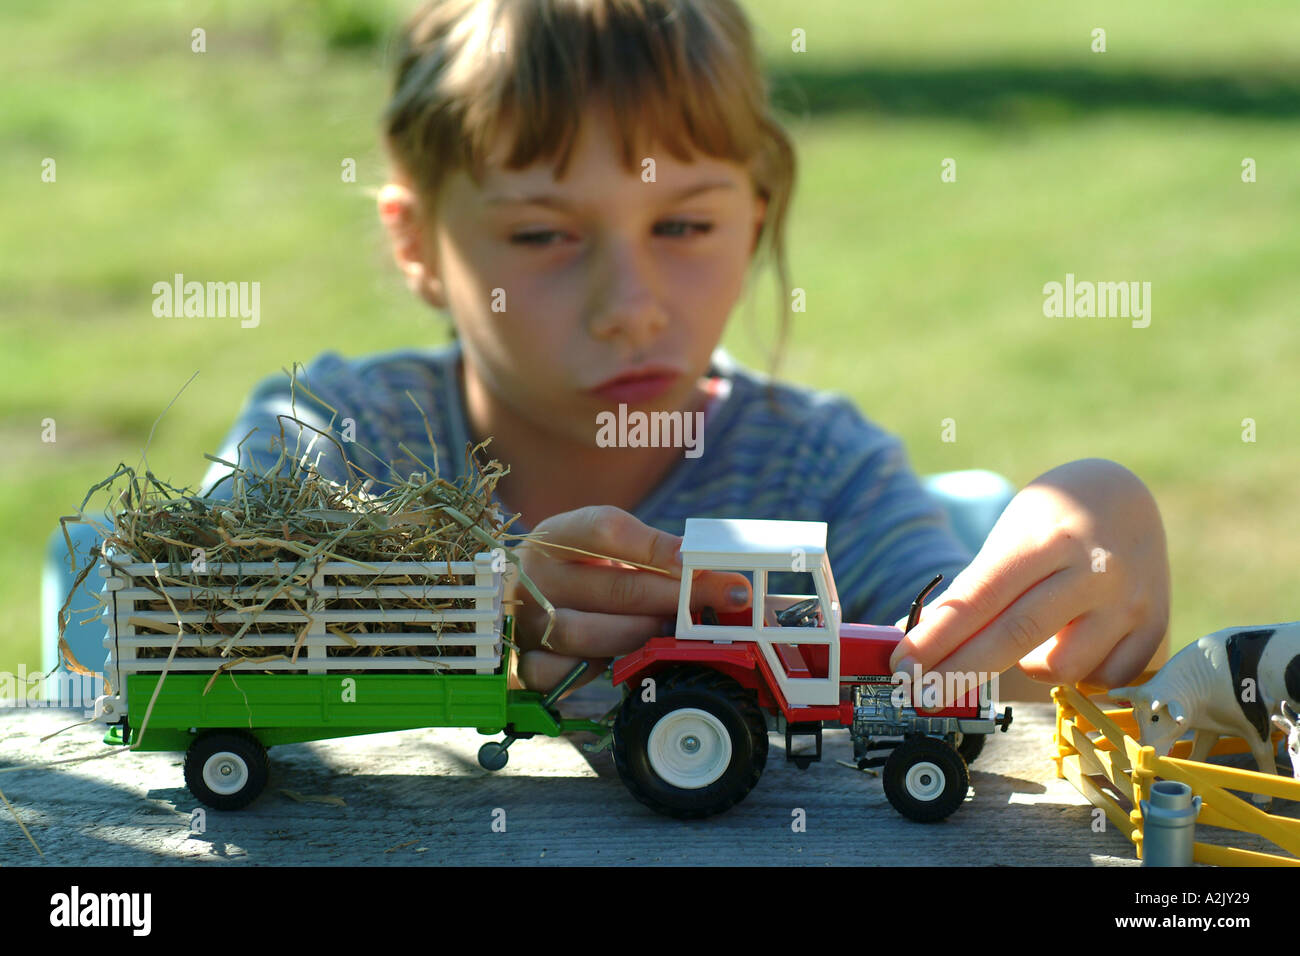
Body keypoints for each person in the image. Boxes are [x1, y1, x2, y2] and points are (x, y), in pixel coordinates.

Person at [200, 0, 1170, 702]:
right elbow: (174, 634)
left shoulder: (818, 474)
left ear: (755, 217)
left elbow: (964, 677)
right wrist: (479, 610)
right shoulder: (338, 440)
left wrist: (1089, 573)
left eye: (684, 226)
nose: (629, 308)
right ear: (418, 244)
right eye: (542, 236)